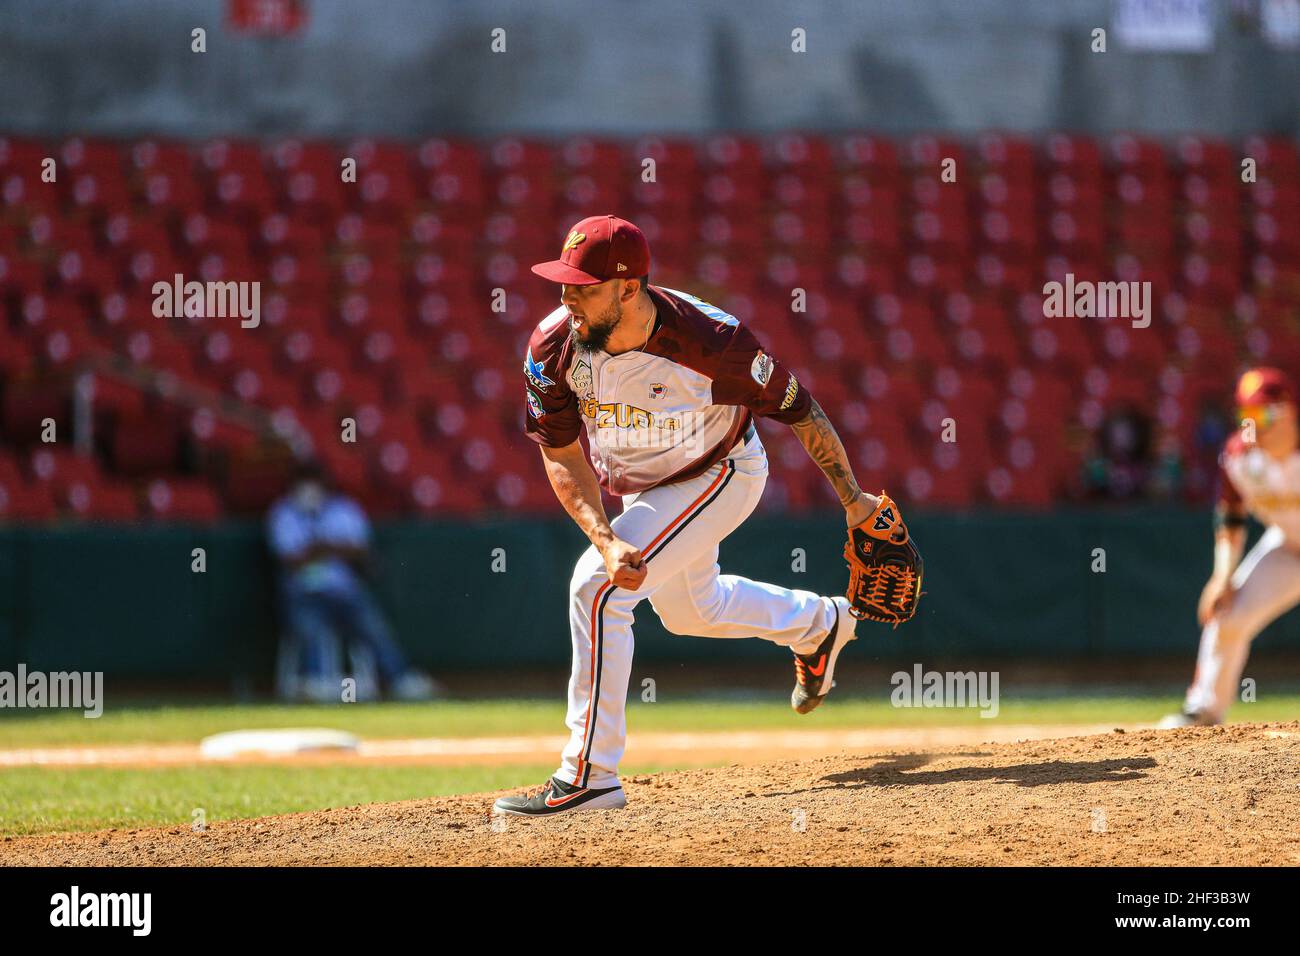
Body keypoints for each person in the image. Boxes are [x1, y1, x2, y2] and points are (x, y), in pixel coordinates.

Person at [493, 215, 912, 816]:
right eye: (563, 283)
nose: (567, 297)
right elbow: (560, 454)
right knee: (693, 611)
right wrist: (607, 536)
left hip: (721, 473)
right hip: (645, 488)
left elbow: (801, 411)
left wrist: (854, 503)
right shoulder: (553, 346)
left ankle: (590, 776)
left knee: (596, 588)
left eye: (582, 286)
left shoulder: (710, 340)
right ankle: (822, 624)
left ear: (628, 288)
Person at [1161, 367, 1300, 727]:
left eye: (1262, 414)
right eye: (1246, 416)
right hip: (1290, 550)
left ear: (1286, 411)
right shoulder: (1240, 457)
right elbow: (1232, 517)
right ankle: (1204, 710)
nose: (1252, 425)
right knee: (1228, 612)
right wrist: (1222, 575)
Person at [266, 460, 441, 703]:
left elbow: (361, 552)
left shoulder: (344, 509)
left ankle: (401, 679)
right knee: (309, 625)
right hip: (302, 592)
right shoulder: (283, 513)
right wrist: (328, 548)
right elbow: (289, 559)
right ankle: (315, 682)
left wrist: (322, 548)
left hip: (343, 592)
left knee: (372, 626)